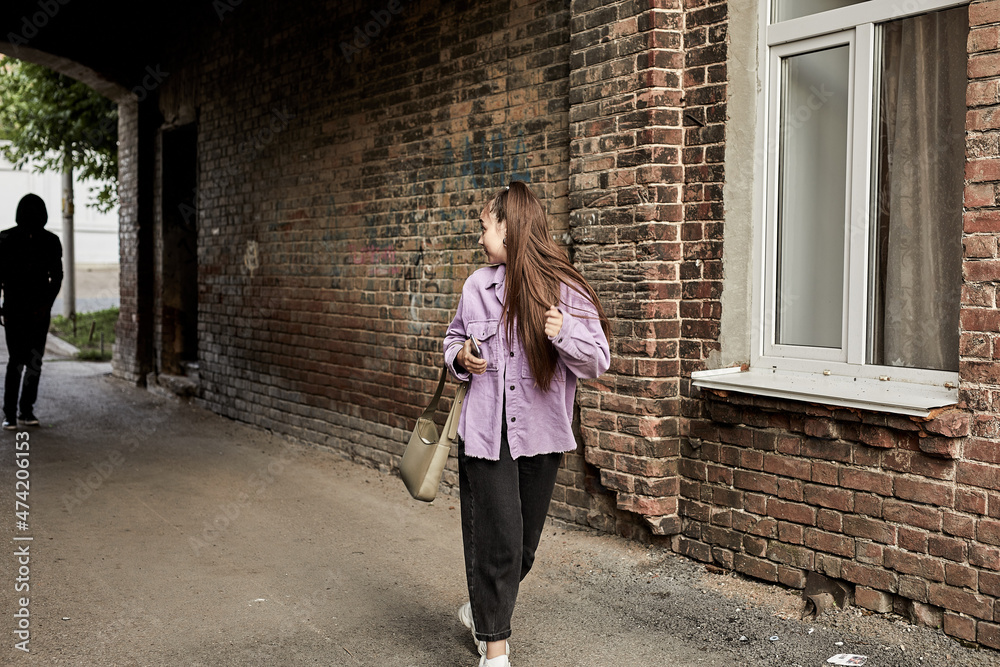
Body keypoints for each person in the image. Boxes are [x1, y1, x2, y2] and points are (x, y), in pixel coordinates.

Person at [443, 181, 611, 667]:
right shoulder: (477, 287)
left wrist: (566, 332)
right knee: (498, 541)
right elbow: (452, 341)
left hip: (540, 431)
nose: (480, 238)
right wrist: (462, 358)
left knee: (523, 550)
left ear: (509, 229)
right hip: (486, 429)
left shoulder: (567, 289)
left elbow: (599, 360)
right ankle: (495, 651)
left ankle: (483, 612)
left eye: (485, 227)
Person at [0, 194, 63, 430]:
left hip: (21, 307)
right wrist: (47, 302)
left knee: (20, 360)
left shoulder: (5, 238)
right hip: (30, 308)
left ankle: (14, 414)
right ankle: (23, 411)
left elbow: (56, 277)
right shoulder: (49, 240)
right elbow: (56, 278)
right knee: (31, 360)